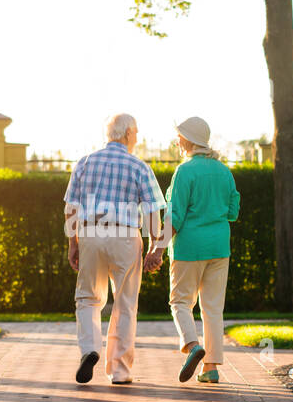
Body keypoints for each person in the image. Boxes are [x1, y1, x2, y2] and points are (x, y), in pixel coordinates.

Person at [63, 113, 166, 385]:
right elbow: (154, 210)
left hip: (91, 233)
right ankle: (119, 371)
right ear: (128, 133)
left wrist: (73, 242)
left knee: (87, 298)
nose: (138, 138)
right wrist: (157, 247)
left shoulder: (85, 163)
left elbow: (70, 208)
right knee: (125, 303)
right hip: (125, 235)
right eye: (137, 133)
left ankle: (90, 350)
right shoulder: (139, 166)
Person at [146, 117, 239, 384]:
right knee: (212, 308)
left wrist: (158, 250)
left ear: (188, 140)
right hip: (220, 247)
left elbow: (174, 217)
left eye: (179, 136)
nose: (177, 140)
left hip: (189, 249)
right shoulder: (224, 171)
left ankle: (191, 344)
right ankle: (210, 368)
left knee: (180, 302)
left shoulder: (185, 171)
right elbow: (233, 212)